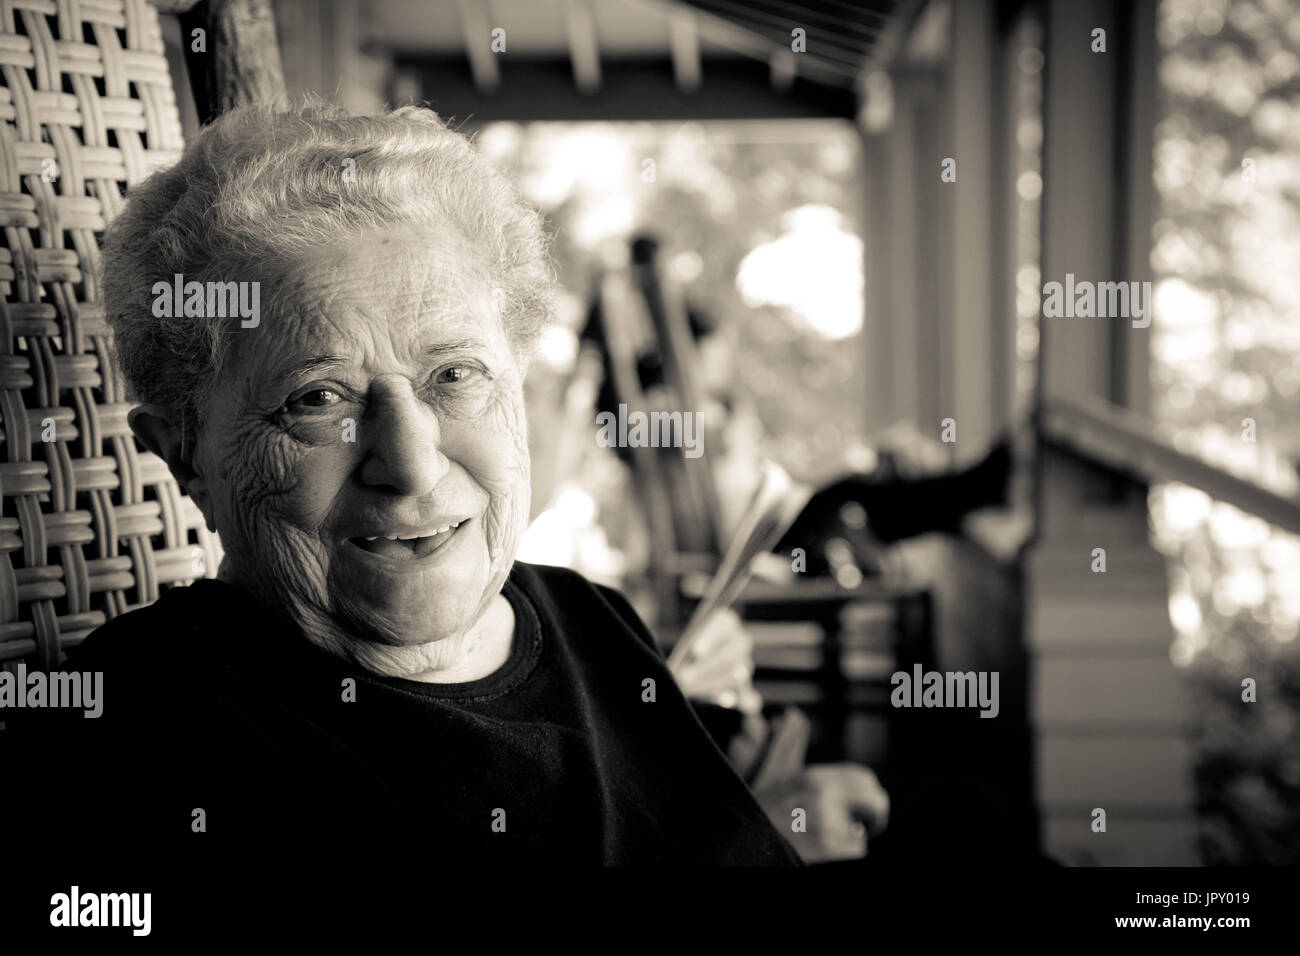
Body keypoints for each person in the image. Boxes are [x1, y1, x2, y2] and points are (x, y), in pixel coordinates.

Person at [11, 103, 805, 868]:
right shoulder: (141, 727)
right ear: (184, 457)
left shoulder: (590, 620)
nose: (413, 464)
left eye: (455, 375)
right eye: (317, 399)